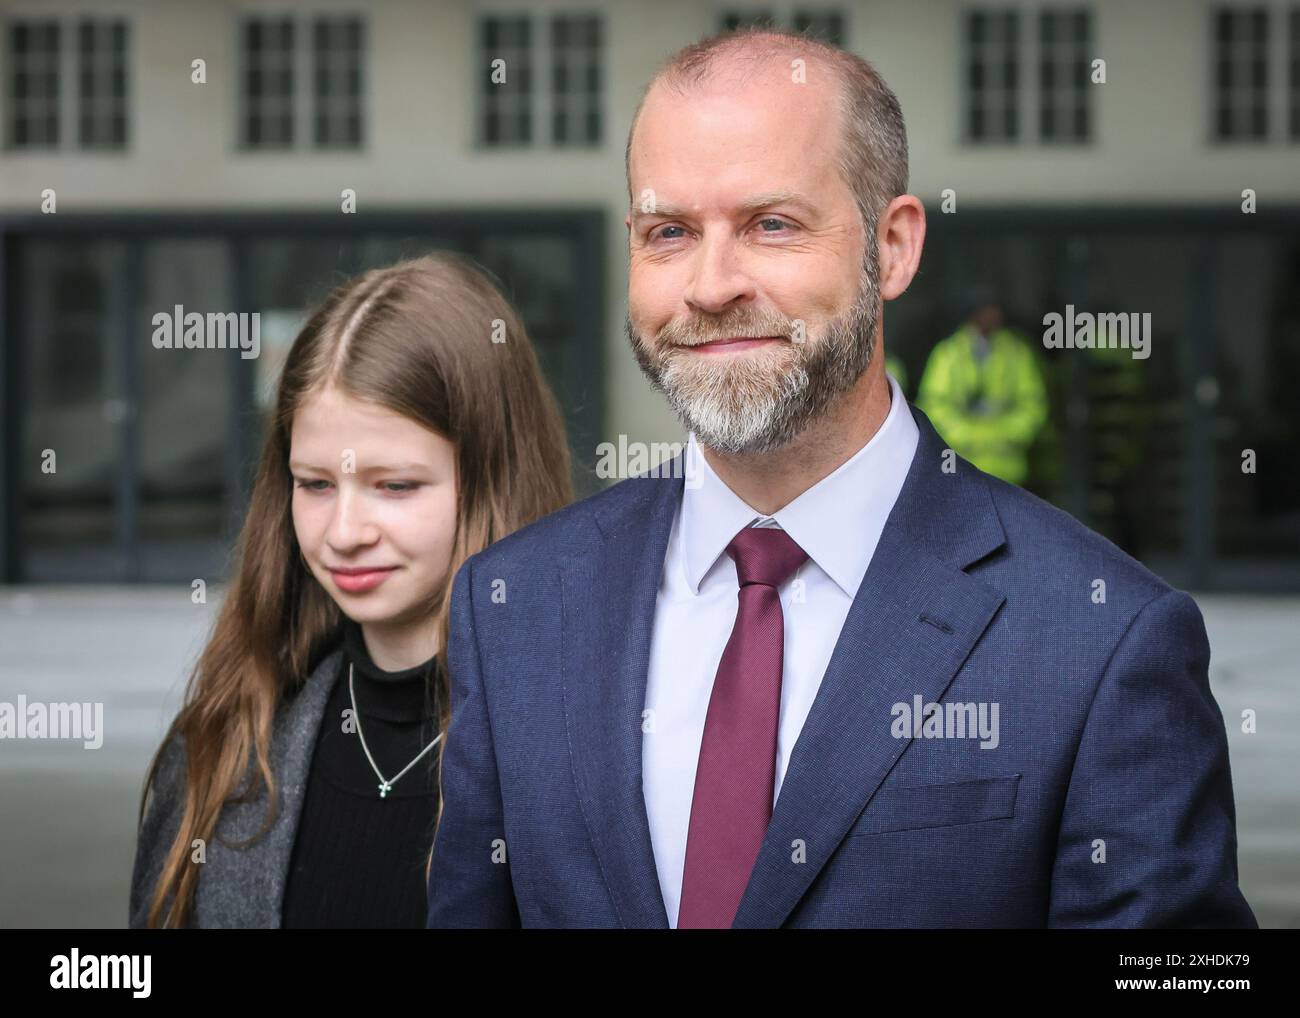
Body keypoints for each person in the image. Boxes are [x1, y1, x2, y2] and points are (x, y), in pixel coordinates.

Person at [427, 28, 1256, 928]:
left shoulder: (1104, 640)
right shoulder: (511, 607)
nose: (710, 286)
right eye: (668, 233)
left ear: (893, 248)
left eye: (770, 224)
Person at [129, 253, 572, 928]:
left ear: (493, 477)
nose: (343, 532)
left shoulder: (589, 749)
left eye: (394, 486)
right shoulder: (227, 740)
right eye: (315, 484)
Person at [916, 297, 1049, 487]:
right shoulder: (948, 353)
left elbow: (1033, 405)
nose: (991, 317)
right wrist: (968, 436)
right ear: (973, 315)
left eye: (994, 311)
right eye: (985, 311)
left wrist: (1005, 434)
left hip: (1008, 473)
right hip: (959, 468)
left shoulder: (1017, 353)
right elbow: (933, 405)